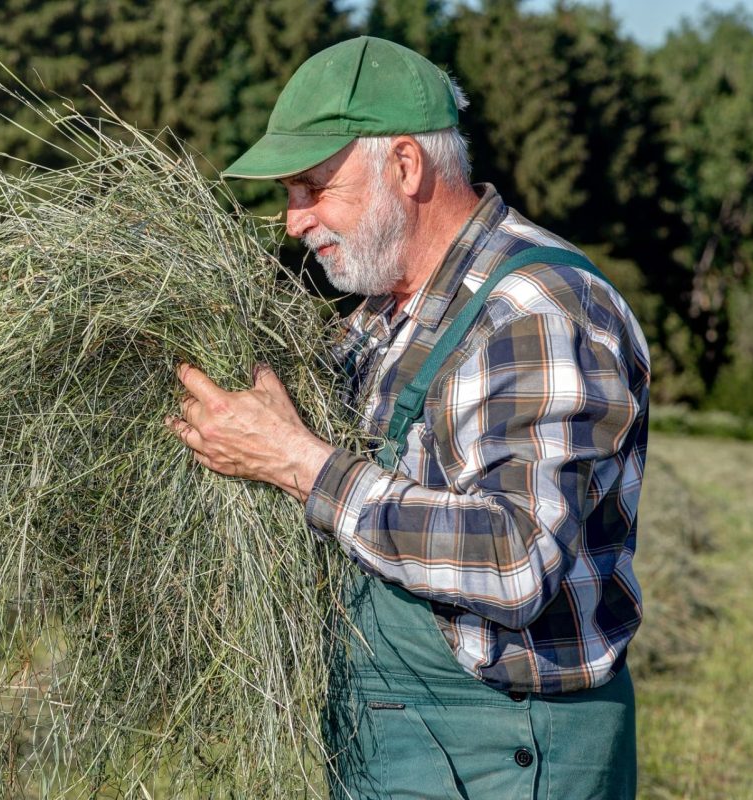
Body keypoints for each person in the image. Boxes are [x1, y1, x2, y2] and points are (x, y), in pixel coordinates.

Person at [166, 36, 648, 799]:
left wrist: (300, 464)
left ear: (405, 164)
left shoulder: (533, 311)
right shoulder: (384, 317)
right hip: (399, 739)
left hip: (507, 750)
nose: (293, 221)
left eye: (313, 187)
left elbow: (515, 560)